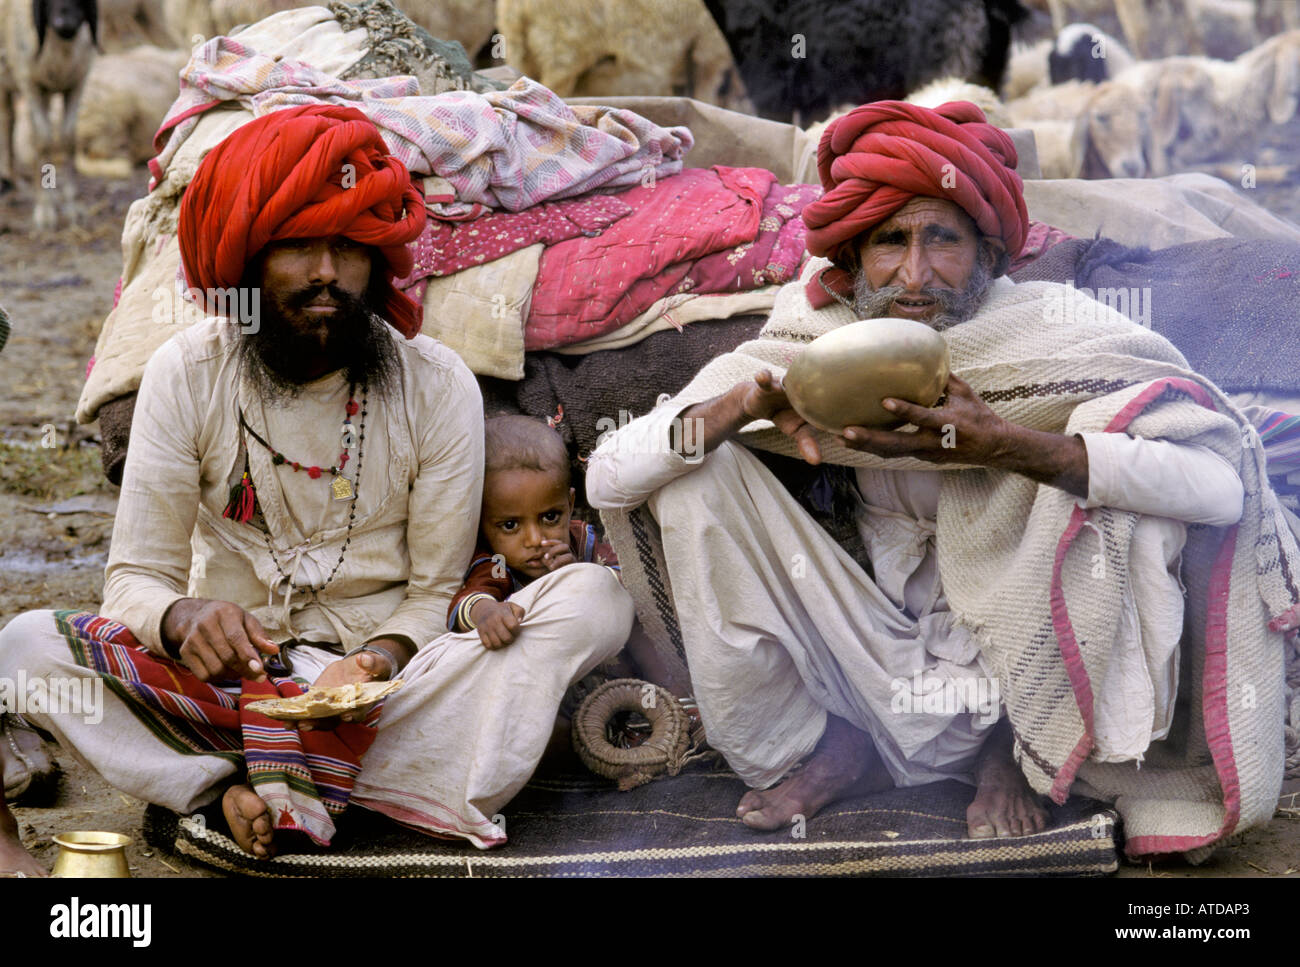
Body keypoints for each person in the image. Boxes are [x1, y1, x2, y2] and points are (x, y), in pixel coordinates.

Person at [586, 100, 1296, 849]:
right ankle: (826, 745)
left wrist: (1012, 446)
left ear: (987, 255)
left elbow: (1222, 486)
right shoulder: (808, 337)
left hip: (1018, 651)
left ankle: (1015, 755)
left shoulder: (1054, 330)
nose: (915, 274)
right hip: (861, 652)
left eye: (943, 239)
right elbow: (609, 479)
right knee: (694, 466)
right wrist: (735, 407)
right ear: (852, 259)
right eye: (891, 240)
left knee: (1117, 476)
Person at [0, 104, 633, 867]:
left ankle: (244, 786)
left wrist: (374, 663)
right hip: (230, 688)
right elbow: (134, 578)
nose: (327, 272)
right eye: (298, 246)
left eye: (348, 246)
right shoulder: (186, 373)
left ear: (376, 260)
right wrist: (181, 618)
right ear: (248, 261)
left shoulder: (437, 386)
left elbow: (434, 594)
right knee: (26, 648)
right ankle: (245, 784)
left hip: (393, 693)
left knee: (592, 599)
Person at [447, 414, 622, 649]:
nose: (536, 539)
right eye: (510, 526)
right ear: (480, 521)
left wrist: (579, 575)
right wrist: (487, 614)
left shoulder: (580, 540)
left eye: (550, 517)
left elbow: (628, 577)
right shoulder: (496, 563)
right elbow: (472, 598)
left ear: (570, 505)